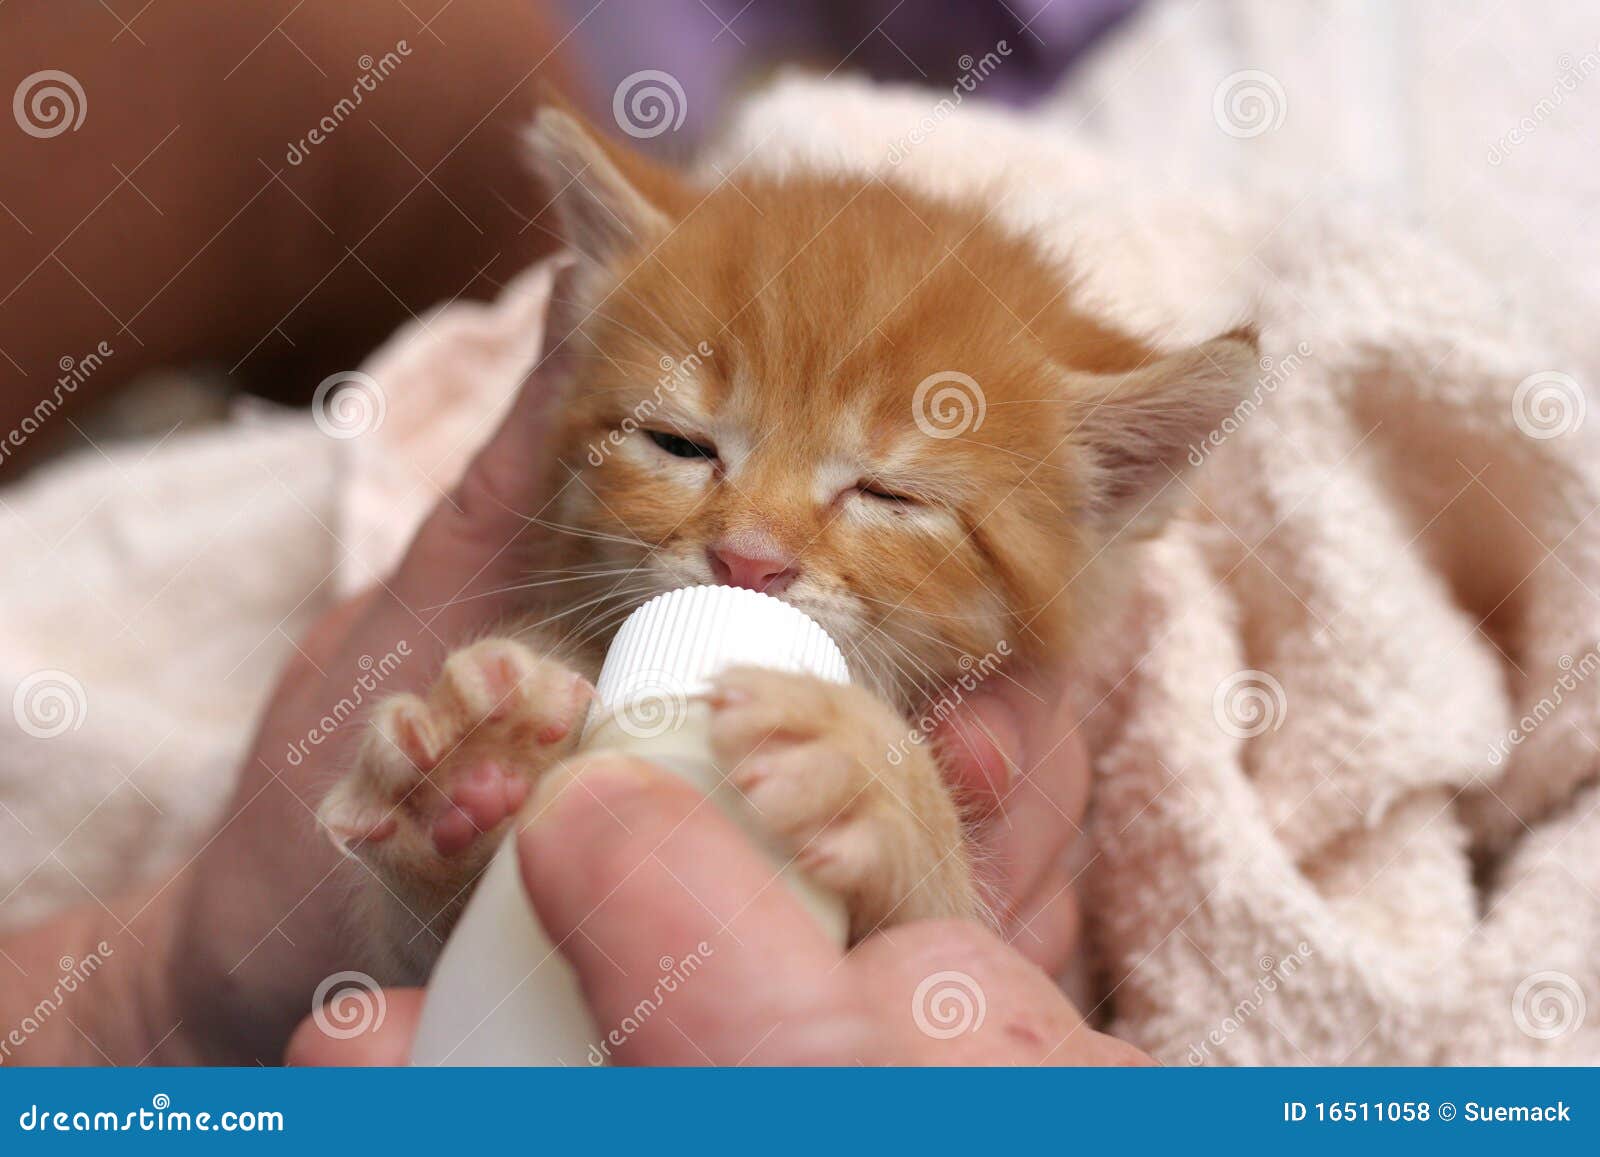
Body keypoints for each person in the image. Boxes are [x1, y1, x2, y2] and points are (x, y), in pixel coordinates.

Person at [0, 0, 1143, 1066]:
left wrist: (905, 815)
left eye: (890, 497)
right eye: (681, 445)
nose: (749, 546)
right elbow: (454, 972)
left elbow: (957, 953)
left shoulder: (992, 711)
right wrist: (417, 864)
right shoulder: (541, 675)